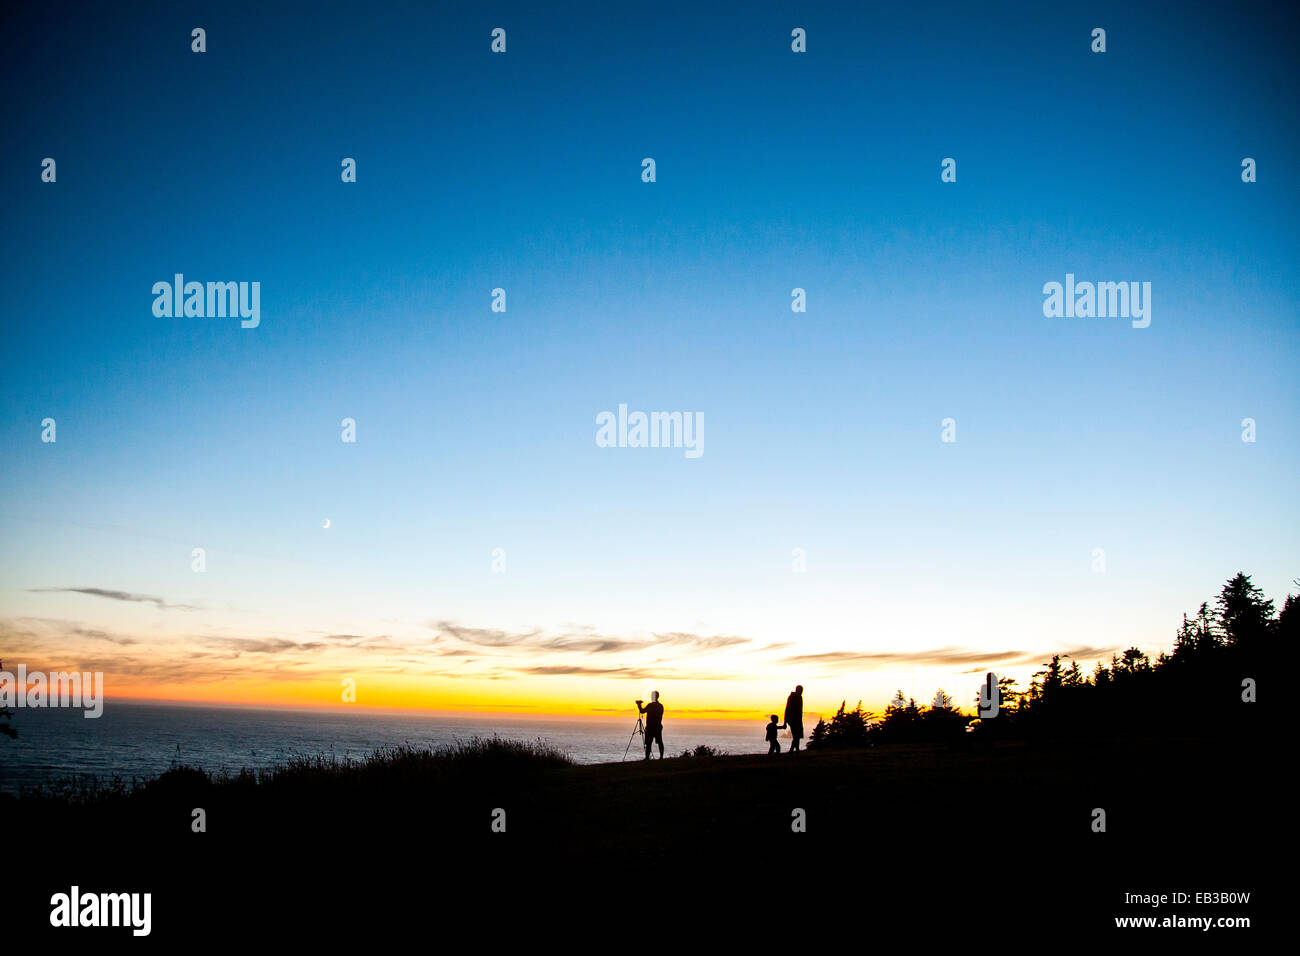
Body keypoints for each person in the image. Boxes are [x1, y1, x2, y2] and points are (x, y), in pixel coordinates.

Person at [636, 691, 664, 760]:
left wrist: (639, 705)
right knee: (660, 742)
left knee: (648, 743)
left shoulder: (650, 705)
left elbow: (642, 711)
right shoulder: (660, 706)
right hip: (658, 727)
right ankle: (661, 757)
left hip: (650, 727)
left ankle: (647, 757)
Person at [784, 684, 804, 753]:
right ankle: (793, 750)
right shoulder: (792, 697)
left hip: (798, 719)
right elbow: (787, 709)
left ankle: (794, 749)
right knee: (796, 735)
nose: (801, 692)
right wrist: (785, 721)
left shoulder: (800, 697)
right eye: (800, 690)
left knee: (797, 736)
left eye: (802, 691)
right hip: (792, 719)